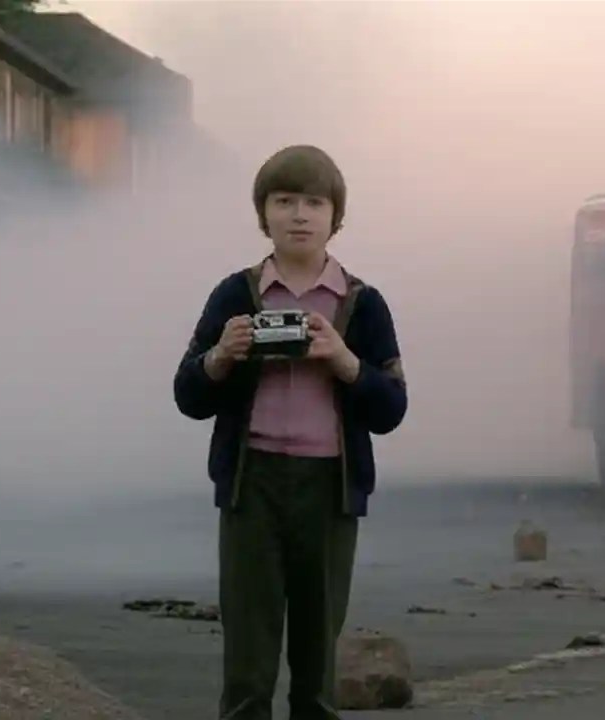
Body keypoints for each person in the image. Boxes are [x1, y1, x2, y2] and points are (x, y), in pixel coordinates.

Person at [173, 144, 408, 720]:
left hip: (330, 490)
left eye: (313, 202)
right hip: (251, 487)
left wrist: (344, 361)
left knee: (316, 662)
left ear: (336, 217)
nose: (299, 215)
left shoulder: (363, 304)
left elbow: (392, 408)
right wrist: (222, 357)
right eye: (284, 201)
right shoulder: (236, 294)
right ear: (263, 214)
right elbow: (188, 395)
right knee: (248, 662)